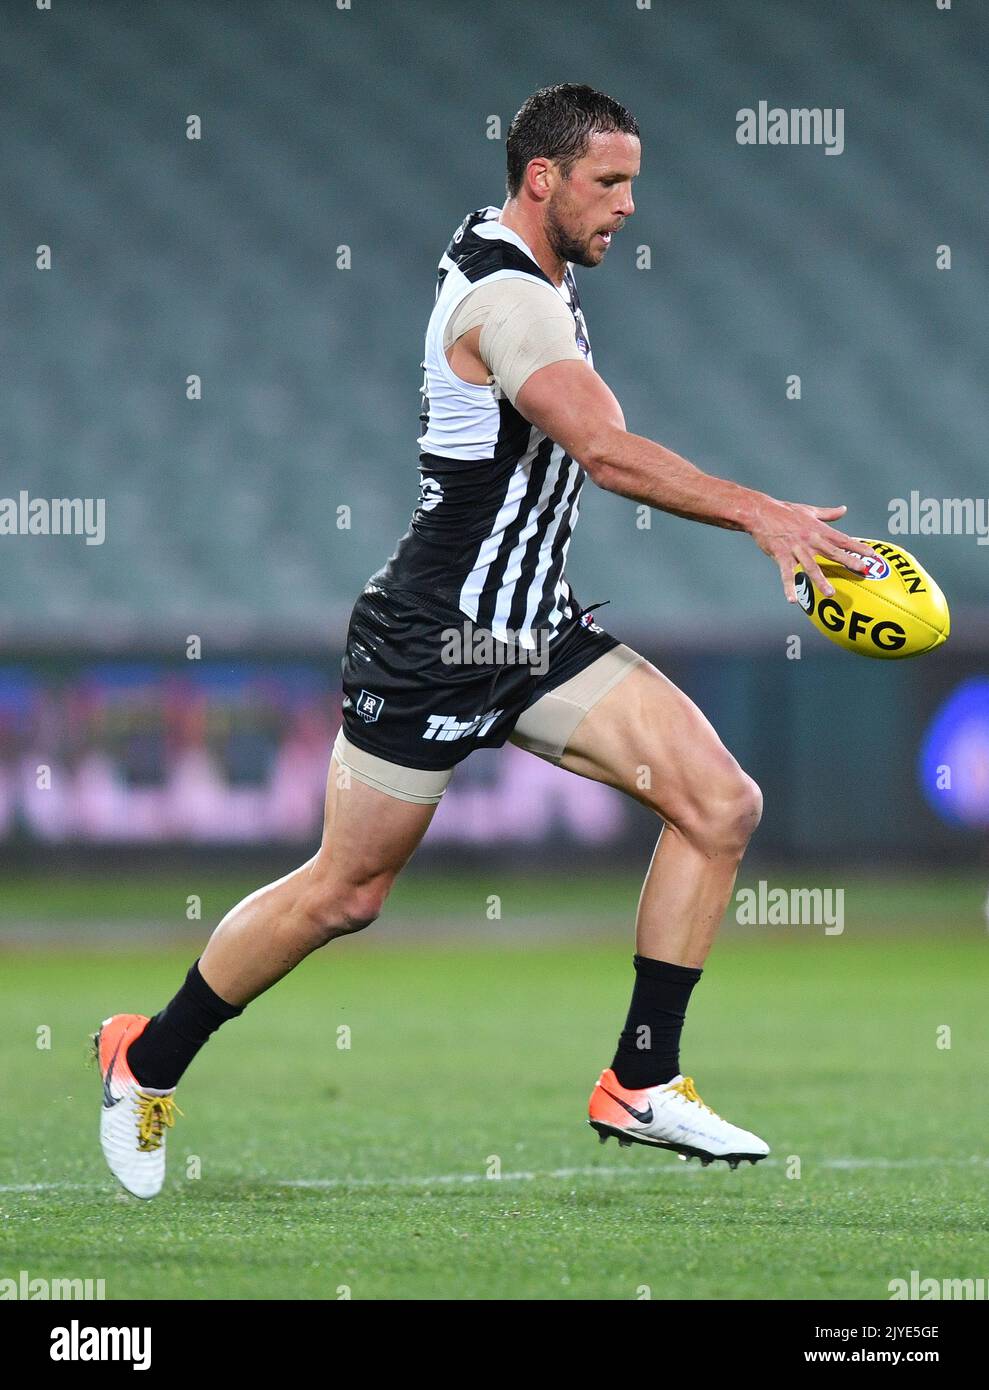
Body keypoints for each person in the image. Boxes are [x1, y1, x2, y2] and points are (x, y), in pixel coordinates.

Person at [95, 83, 880, 1198]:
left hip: (531, 630)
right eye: (608, 184)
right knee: (346, 893)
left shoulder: (517, 264)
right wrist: (762, 510)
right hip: (435, 636)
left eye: (632, 184)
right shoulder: (510, 302)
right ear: (542, 179)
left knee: (719, 803)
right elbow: (604, 454)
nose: (625, 207)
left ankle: (640, 1079)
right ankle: (147, 1056)